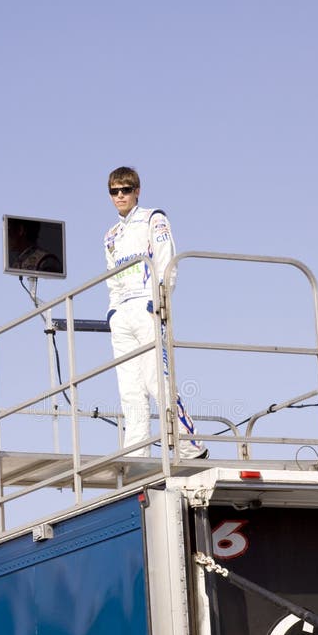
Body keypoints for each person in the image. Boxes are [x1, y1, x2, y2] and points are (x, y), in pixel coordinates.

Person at [104, 166, 207, 459]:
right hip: (122, 312)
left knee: (156, 380)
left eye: (126, 190)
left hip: (146, 306)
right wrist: (112, 311)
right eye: (115, 191)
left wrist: (160, 300)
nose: (120, 196)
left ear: (137, 191)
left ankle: (189, 444)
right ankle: (136, 453)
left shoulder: (153, 218)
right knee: (129, 388)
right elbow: (112, 276)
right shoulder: (110, 235)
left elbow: (166, 260)